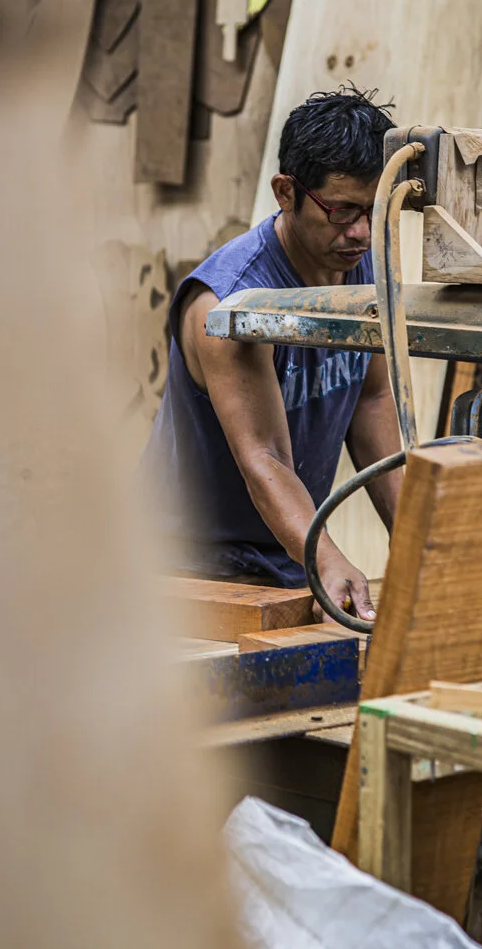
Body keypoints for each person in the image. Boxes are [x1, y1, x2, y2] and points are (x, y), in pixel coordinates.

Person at [143, 87, 403, 623]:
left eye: (374, 210)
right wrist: (326, 558)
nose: (359, 232)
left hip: (286, 555)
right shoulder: (229, 304)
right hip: (189, 568)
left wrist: (419, 540)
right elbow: (265, 456)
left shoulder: (365, 267)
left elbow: (373, 400)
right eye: (341, 211)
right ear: (287, 192)